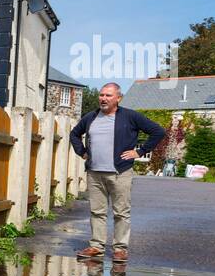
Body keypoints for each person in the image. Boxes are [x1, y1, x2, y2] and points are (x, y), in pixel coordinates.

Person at [69, 82, 164, 263]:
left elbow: (157, 131)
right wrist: (82, 151)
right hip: (95, 173)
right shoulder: (91, 117)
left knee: (121, 212)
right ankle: (96, 247)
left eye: (108, 95)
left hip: (120, 172)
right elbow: (74, 134)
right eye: (101, 95)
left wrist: (140, 151)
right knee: (97, 211)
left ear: (118, 98)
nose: (103, 98)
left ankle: (120, 249)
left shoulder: (130, 116)